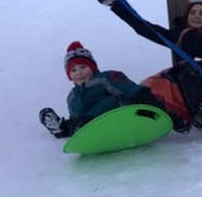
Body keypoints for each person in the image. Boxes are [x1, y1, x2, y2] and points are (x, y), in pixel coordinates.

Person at [97, 0, 202, 139]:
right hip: (188, 68)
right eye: (193, 12)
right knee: (188, 73)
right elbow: (144, 28)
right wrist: (117, 6)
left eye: (201, 13)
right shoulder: (176, 35)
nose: (196, 16)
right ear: (186, 16)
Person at [39, 41, 191, 138]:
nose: (79, 73)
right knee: (76, 123)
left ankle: (172, 118)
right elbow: (76, 117)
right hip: (93, 125)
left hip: (121, 112)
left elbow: (127, 88)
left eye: (83, 67)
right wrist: (71, 125)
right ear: (69, 76)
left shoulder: (105, 78)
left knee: (131, 98)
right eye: (74, 70)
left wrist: (142, 95)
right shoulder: (72, 98)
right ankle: (60, 128)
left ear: (92, 67)